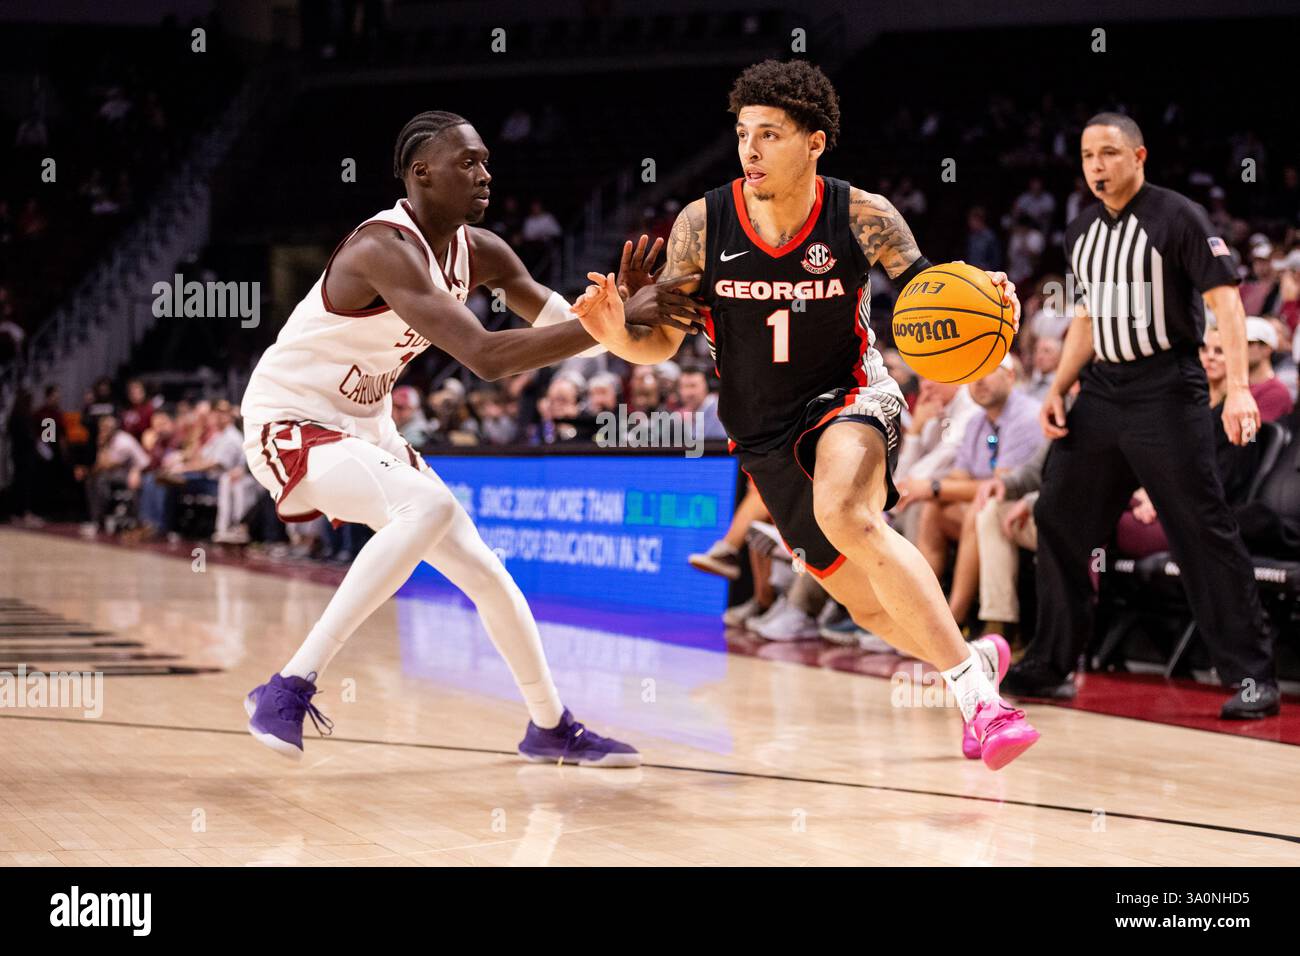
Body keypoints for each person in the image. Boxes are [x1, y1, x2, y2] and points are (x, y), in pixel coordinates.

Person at [569, 61, 1040, 769]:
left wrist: (987, 296)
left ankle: (984, 705)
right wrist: (613, 334)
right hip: (761, 432)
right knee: (867, 607)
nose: (750, 150)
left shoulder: (862, 213)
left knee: (847, 513)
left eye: (769, 134)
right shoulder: (705, 221)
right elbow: (663, 337)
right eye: (742, 134)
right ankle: (972, 659)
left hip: (851, 396)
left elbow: (930, 300)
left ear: (814, 143)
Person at [237, 110, 678, 765]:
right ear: (421, 175)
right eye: (467, 162)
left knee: (487, 576)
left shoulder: (485, 252)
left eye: (486, 161)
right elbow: (487, 356)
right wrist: (600, 327)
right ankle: (289, 684)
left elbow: (571, 339)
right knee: (430, 506)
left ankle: (549, 726)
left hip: (367, 426)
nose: (484, 174)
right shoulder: (383, 248)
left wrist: (621, 324)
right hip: (291, 417)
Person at [1004, 113, 1280, 719]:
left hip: (1168, 388)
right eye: (1087, 156)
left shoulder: (1179, 216)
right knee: (1057, 517)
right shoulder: (1079, 230)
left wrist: (1237, 388)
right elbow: (1086, 319)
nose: (1097, 167)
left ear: (1139, 156)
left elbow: (1226, 305)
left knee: (1200, 530)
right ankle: (1052, 665)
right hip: (1102, 391)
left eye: (1108, 154)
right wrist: (1061, 384)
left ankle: (1252, 676)